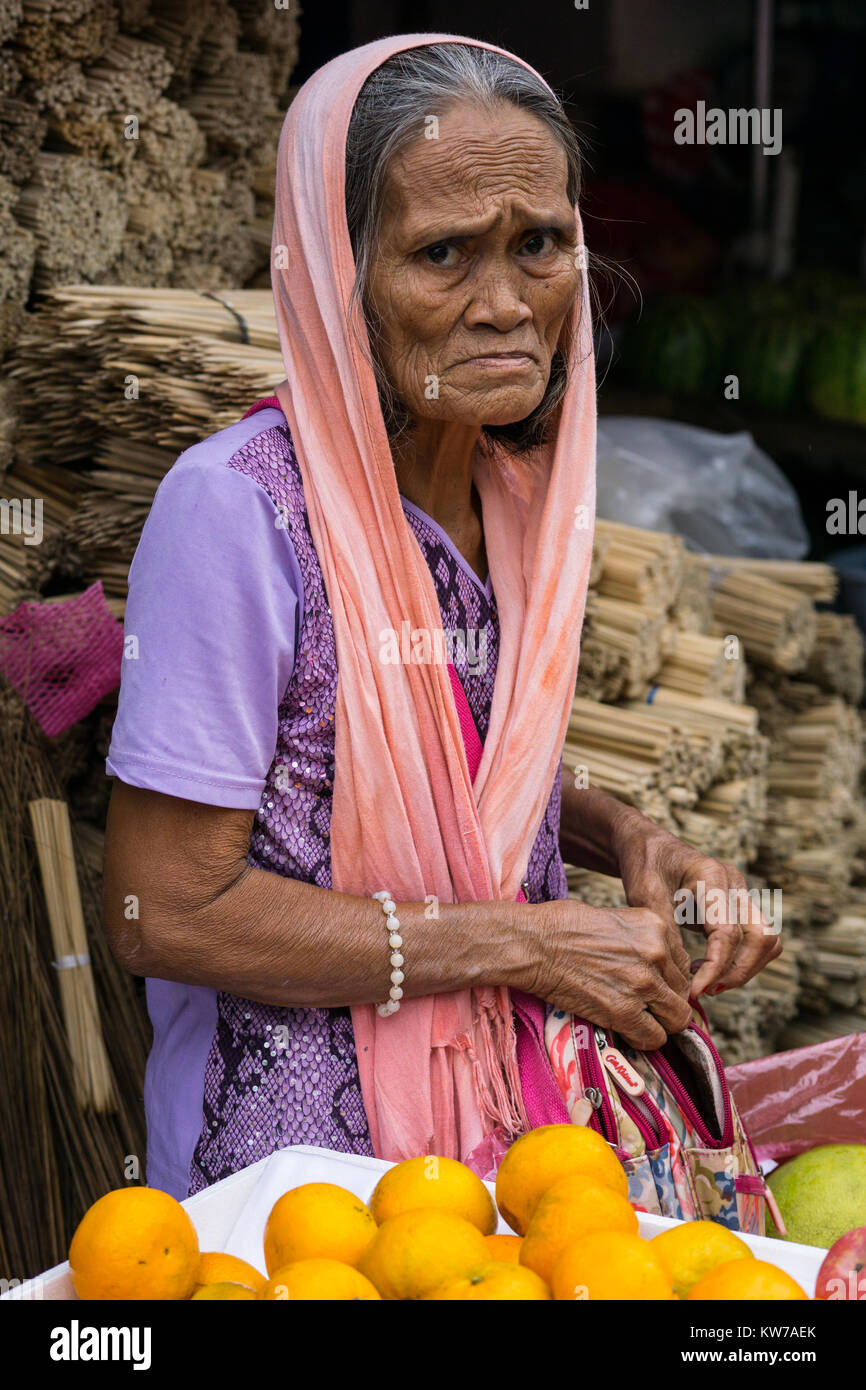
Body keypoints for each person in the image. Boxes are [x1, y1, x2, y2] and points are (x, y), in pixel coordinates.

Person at [103, 35, 781, 1201]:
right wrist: (527, 940)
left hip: (511, 1163)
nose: (505, 305)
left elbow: (451, 774)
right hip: (295, 1194)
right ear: (334, 267)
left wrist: (626, 838)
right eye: (441, 255)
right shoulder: (241, 513)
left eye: (539, 245)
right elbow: (163, 908)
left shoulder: (509, 496)